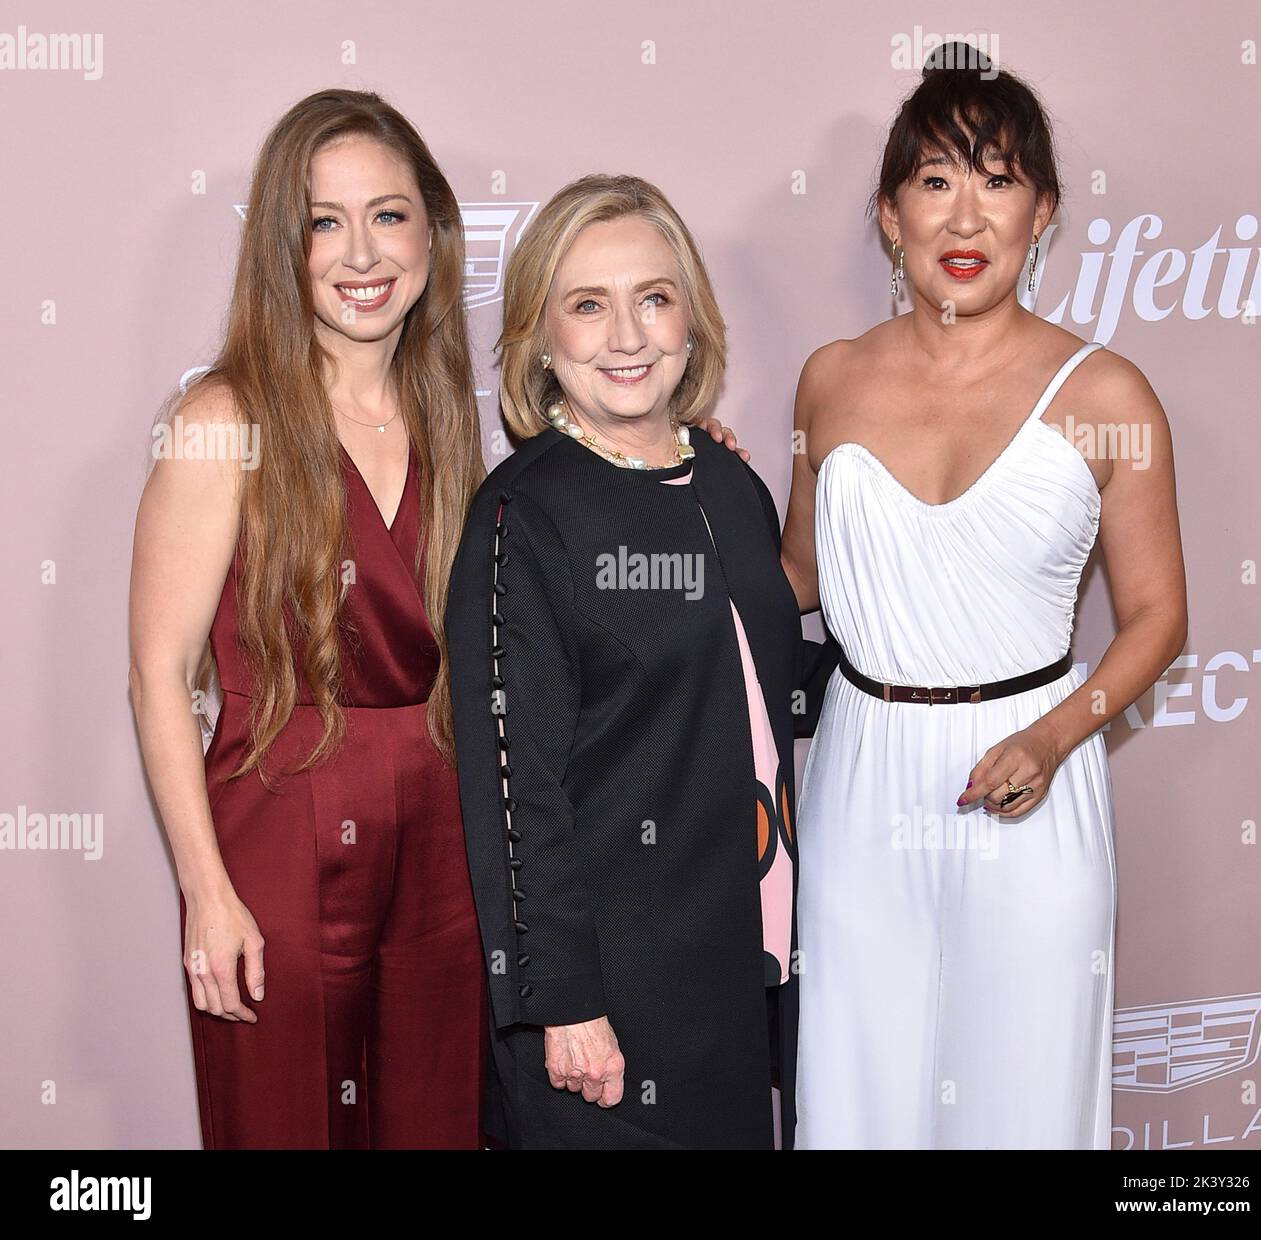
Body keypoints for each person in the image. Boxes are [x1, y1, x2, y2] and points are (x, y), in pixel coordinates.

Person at [782, 46, 1188, 1148]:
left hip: (1029, 782)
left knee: (1023, 1095)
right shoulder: (829, 379)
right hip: (861, 785)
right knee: (858, 1087)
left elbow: (1156, 619)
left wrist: (1055, 737)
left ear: (1042, 210)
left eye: (998, 179)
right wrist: (678, 496)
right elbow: (795, 582)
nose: (965, 217)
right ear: (887, 214)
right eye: (934, 181)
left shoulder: (1106, 392)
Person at [128, 89, 489, 1148]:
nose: (359, 251)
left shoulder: (449, 419)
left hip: (442, 830)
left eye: (387, 213)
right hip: (279, 824)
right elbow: (158, 676)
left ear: (432, 229)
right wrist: (206, 891)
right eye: (323, 221)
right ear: (283, 249)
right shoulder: (222, 419)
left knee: (434, 1119)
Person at [446, 174, 834, 1149]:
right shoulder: (521, 516)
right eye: (587, 305)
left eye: (653, 298)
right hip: (610, 998)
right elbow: (510, 788)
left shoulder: (730, 482)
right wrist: (563, 1002)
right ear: (539, 337)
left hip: (738, 963)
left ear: (692, 321)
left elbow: (755, 681)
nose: (626, 335)